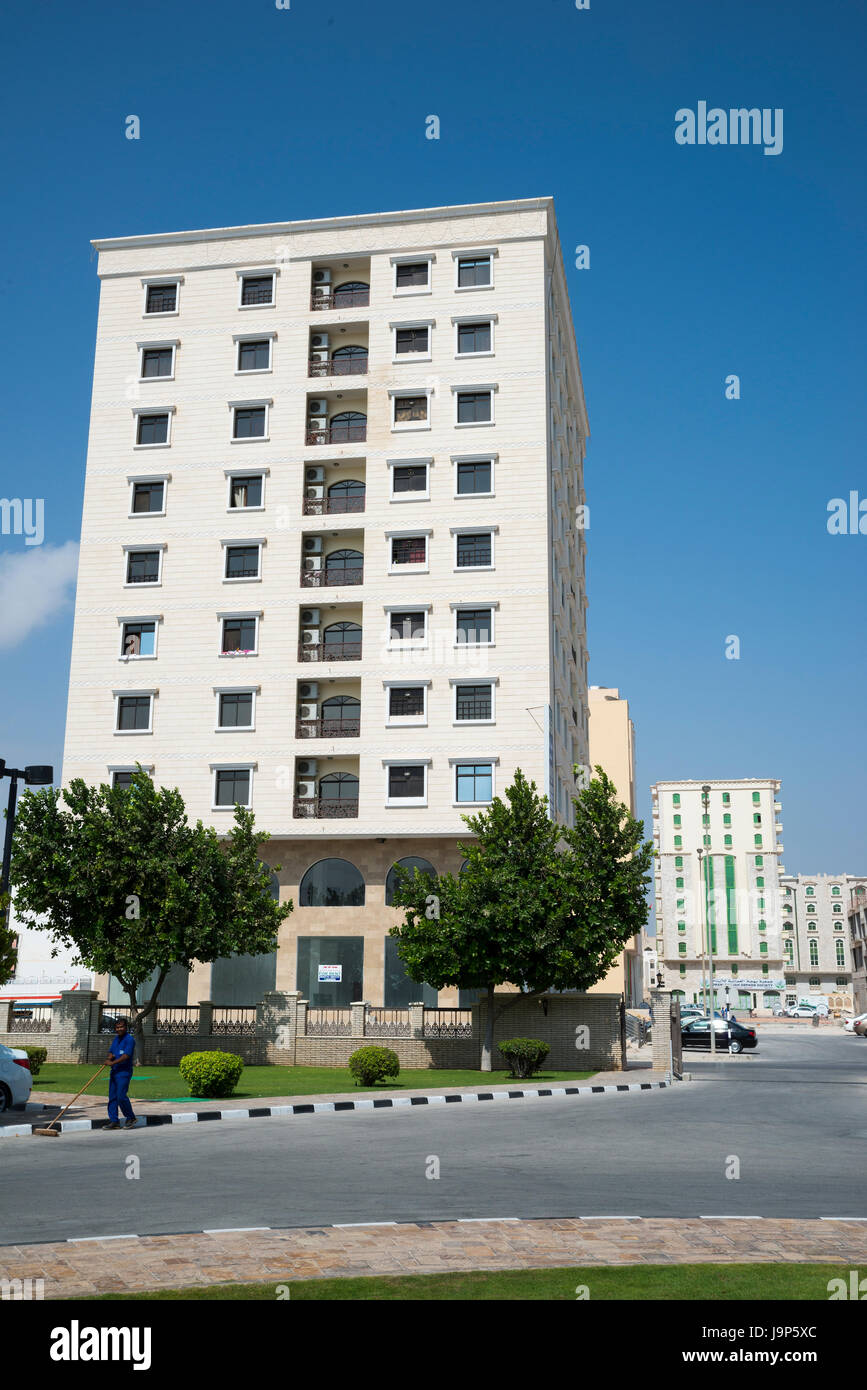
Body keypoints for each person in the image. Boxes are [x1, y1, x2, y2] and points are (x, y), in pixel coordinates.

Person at [105, 1017, 137, 1130]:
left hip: (124, 1072)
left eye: (121, 1027)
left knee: (121, 1096)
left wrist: (112, 1062)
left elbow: (126, 1056)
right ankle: (114, 1121)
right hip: (114, 1072)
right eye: (117, 1027)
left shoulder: (130, 1039)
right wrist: (109, 1058)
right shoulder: (116, 1039)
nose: (119, 1029)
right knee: (112, 1097)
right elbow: (111, 1052)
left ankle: (131, 1117)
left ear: (126, 1027)